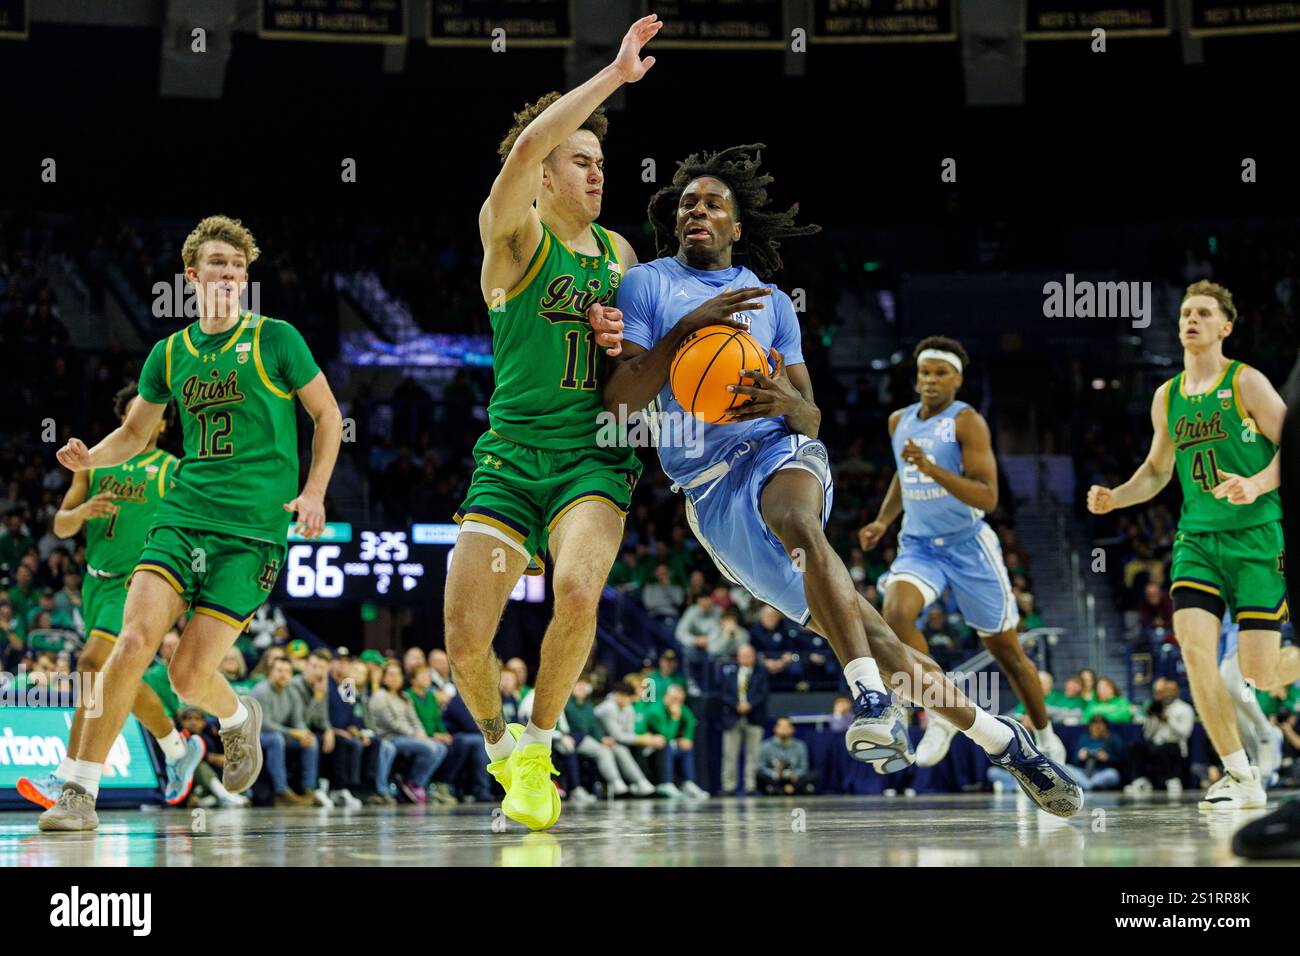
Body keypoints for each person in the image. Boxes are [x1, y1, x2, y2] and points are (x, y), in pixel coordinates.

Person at [599, 144, 1080, 816]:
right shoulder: (647, 285)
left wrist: (786, 405)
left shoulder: (770, 303)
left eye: (713, 202)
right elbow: (620, 406)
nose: (697, 210)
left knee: (797, 520)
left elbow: (811, 414)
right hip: (708, 491)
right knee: (879, 638)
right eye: (687, 203)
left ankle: (872, 700)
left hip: (775, 449)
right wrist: (688, 330)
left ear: (738, 226)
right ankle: (1006, 739)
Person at [41, 214, 342, 832]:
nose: (228, 273)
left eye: (237, 265)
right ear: (192, 275)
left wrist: (314, 492)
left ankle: (236, 720)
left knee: (186, 678)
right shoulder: (169, 352)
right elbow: (133, 433)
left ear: (245, 277)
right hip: (183, 515)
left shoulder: (277, 339)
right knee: (130, 644)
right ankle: (78, 793)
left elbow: (329, 417)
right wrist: (88, 459)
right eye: (217, 263)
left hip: (254, 530)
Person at [441, 14, 662, 833]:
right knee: (465, 641)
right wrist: (612, 75)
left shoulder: (620, 256)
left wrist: (624, 347)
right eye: (582, 158)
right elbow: (528, 143)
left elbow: (634, 380)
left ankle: (542, 735)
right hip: (508, 458)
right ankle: (511, 758)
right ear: (544, 172)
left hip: (591, 459)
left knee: (576, 586)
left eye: (603, 161)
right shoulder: (512, 232)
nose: (597, 172)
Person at [1088, 279, 1296, 810]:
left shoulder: (1246, 382)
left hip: (1256, 538)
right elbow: (1158, 470)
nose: (1192, 320)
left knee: (1258, 674)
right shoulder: (1168, 395)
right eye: (1186, 312)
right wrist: (1118, 497)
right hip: (1197, 540)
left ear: (1225, 327)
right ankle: (1239, 775)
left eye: (1204, 313)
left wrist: (1256, 483)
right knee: (1195, 652)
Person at [858, 336, 1065, 768]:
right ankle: (941, 711)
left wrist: (932, 468)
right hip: (918, 544)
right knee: (894, 615)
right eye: (924, 374)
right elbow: (902, 474)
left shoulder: (967, 422)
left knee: (1007, 650)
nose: (930, 381)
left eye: (940, 374)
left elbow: (987, 498)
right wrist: (883, 519)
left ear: (958, 379)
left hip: (967, 545)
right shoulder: (899, 421)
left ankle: (1045, 733)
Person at [17, 381, 205, 811]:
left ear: (160, 425)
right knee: (117, 678)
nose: (137, 418)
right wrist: (80, 513)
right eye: (130, 411)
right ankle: (178, 750)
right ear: (124, 418)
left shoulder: (171, 470)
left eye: (149, 412)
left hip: (137, 581)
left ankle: (67, 776)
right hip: (95, 582)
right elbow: (61, 527)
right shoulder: (95, 462)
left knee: (90, 664)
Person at [251, 657, 331, 807]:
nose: (283, 675)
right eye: (279, 671)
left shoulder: (291, 691)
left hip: (279, 734)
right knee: (276, 739)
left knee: (311, 740)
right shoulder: (262, 690)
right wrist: (292, 733)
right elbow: (265, 724)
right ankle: (281, 792)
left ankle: (309, 790)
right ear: (270, 672)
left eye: (287, 671)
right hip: (253, 735)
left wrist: (304, 733)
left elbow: (298, 720)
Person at [291, 648, 363, 809]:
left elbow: (352, 711)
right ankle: (331, 787)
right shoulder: (326, 682)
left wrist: (353, 727)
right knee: (341, 742)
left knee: (356, 744)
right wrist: (333, 729)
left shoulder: (348, 684)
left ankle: (348, 788)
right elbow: (321, 716)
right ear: (332, 665)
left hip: (337, 730)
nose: (341, 665)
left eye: (345, 662)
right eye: (338, 661)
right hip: (321, 728)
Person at [368, 660, 447, 804]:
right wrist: (414, 735)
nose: (395, 678)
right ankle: (407, 783)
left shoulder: (404, 697)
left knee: (440, 748)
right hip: (390, 737)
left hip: (408, 738)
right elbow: (390, 722)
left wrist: (422, 734)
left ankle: (415, 783)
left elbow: (415, 720)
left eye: (398, 675)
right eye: (391, 675)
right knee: (430, 747)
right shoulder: (380, 695)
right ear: (384, 678)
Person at [564, 676, 654, 797]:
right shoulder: (606, 707)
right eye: (579, 685)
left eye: (584, 685)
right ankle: (615, 781)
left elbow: (594, 726)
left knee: (620, 749)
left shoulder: (589, 705)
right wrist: (642, 739)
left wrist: (601, 738)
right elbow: (583, 727)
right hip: (575, 737)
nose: (582, 688)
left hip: (595, 738)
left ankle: (639, 781)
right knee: (603, 750)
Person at [1125, 677, 1195, 794]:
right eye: (1163, 691)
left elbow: (1185, 733)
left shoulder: (1185, 708)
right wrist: (1151, 718)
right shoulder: (1156, 708)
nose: (1166, 694)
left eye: (1170, 690)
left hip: (1175, 745)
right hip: (1155, 745)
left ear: (1177, 692)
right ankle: (1140, 780)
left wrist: (1169, 720)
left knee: (1163, 748)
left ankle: (1172, 780)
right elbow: (1148, 735)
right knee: (1135, 746)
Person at [642, 683, 708, 799]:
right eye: (674, 699)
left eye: (680, 700)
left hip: (667, 745)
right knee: (666, 743)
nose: (677, 703)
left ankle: (688, 782)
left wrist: (687, 738)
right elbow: (667, 735)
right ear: (666, 697)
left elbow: (690, 721)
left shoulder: (680, 707)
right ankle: (666, 783)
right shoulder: (655, 711)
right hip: (650, 748)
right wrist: (675, 718)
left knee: (686, 746)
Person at [719, 644, 768, 795]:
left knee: (753, 754)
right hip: (732, 717)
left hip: (754, 717)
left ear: (754, 657)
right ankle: (729, 786)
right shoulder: (730, 673)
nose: (746, 658)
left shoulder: (761, 673)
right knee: (729, 754)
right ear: (738, 657)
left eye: (749, 655)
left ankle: (750, 786)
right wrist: (736, 705)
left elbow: (763, 694)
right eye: (743, 655)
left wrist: (750, 705)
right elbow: (723, 693)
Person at [757, 717, 814, 795]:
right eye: (781, 726)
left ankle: (784, 789)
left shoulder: (800, 745)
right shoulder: (766, 745)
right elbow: (761, 767)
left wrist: (795, 774)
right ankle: (788, 789)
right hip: (775, 778)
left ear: (792, 729)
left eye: (787, 727)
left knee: (813, 774)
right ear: (775, 729)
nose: (784, 729)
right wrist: (774, 774)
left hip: (793, 778)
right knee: (759, 775)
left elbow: (804, 767)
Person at [1066, 716, 1125, 791]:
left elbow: (1122, 759)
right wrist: (1079, 756)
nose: (1097, 728)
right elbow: (1074, 760)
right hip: (1083, 771)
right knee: (1067, 768)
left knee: (1113, 774)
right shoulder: (1084, 738)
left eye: (1100, 725)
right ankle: (1089, 785)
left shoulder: (1113, 739)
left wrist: (1108, 757)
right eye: (1094, 725)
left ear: (1106, 727)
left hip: (1101, 772)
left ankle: (1086, 785)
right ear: (1090, 727)